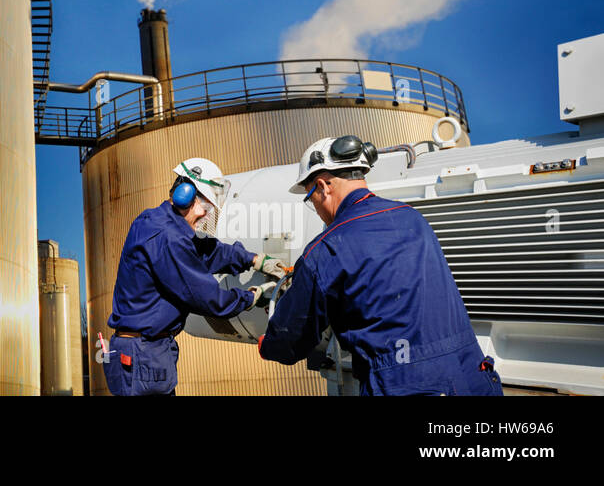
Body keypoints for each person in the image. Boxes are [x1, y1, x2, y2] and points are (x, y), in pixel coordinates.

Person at [258, 135, 502, 396]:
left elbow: (291, 339)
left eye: (310, 198)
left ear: (322, 186)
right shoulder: (413, 218)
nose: (316, 207)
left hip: (404, 386)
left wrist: (269, 344)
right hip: (474, 376)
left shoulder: (326, 248)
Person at [104, 158, 287, 395]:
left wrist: (253, 259)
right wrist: (253, 297)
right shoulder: (169, 237)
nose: (205, 215)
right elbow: (209, 299)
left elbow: (205, 252)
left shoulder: (153, 220)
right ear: (185, 194)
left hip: (142, 350)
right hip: (143, 354)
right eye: (206, 207)